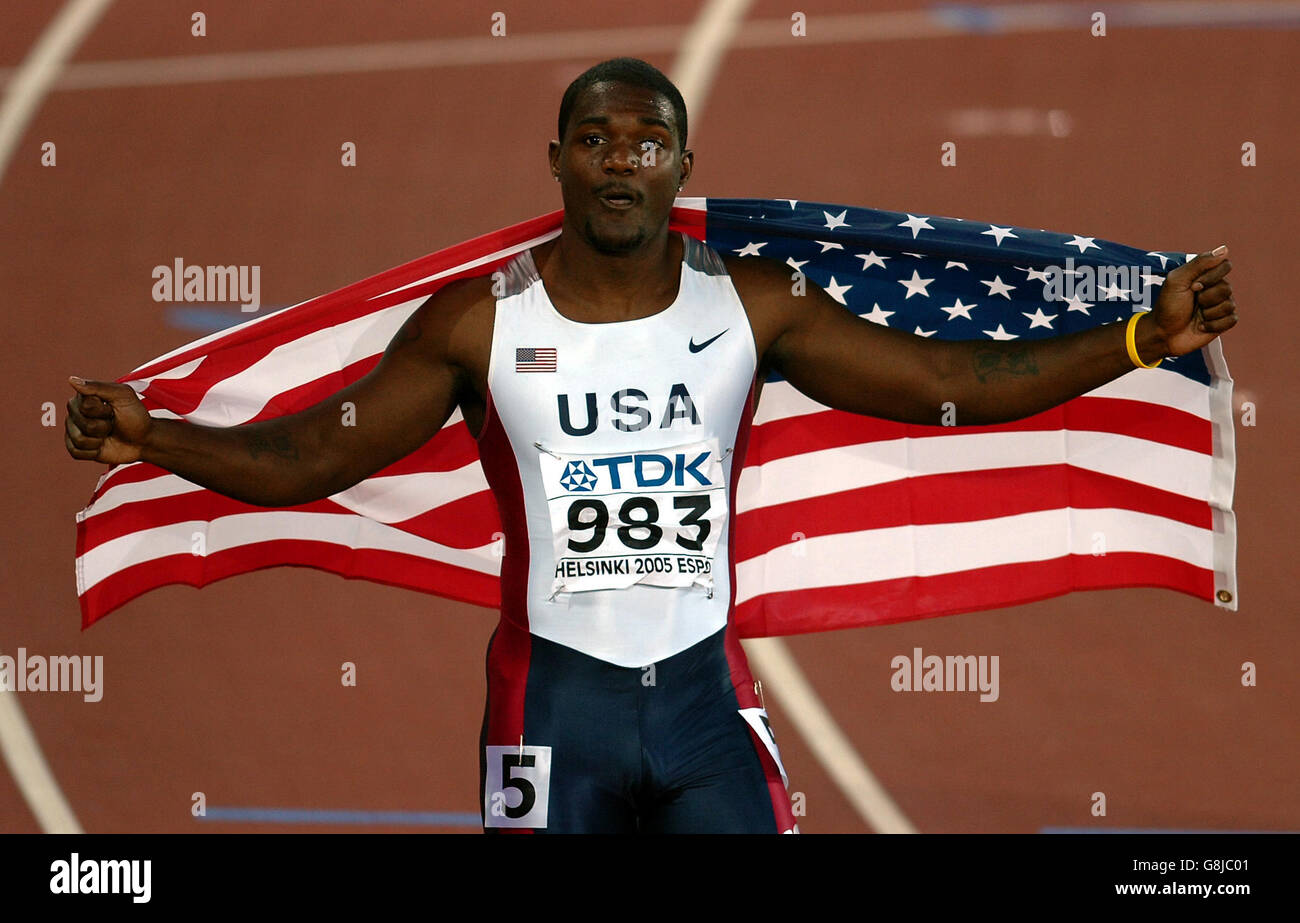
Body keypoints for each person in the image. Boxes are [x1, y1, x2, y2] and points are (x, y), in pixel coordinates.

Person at [64, 57, 1238, 834]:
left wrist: (1139, 334)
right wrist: (153, 433)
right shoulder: (480, 321)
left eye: (645, 142)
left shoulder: (752, 304)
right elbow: (315, 459)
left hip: (701, 702)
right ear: (558, 161)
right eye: (594, 138)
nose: (619, 159)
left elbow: (948, 380)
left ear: (683, 166)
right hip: (547, 712)